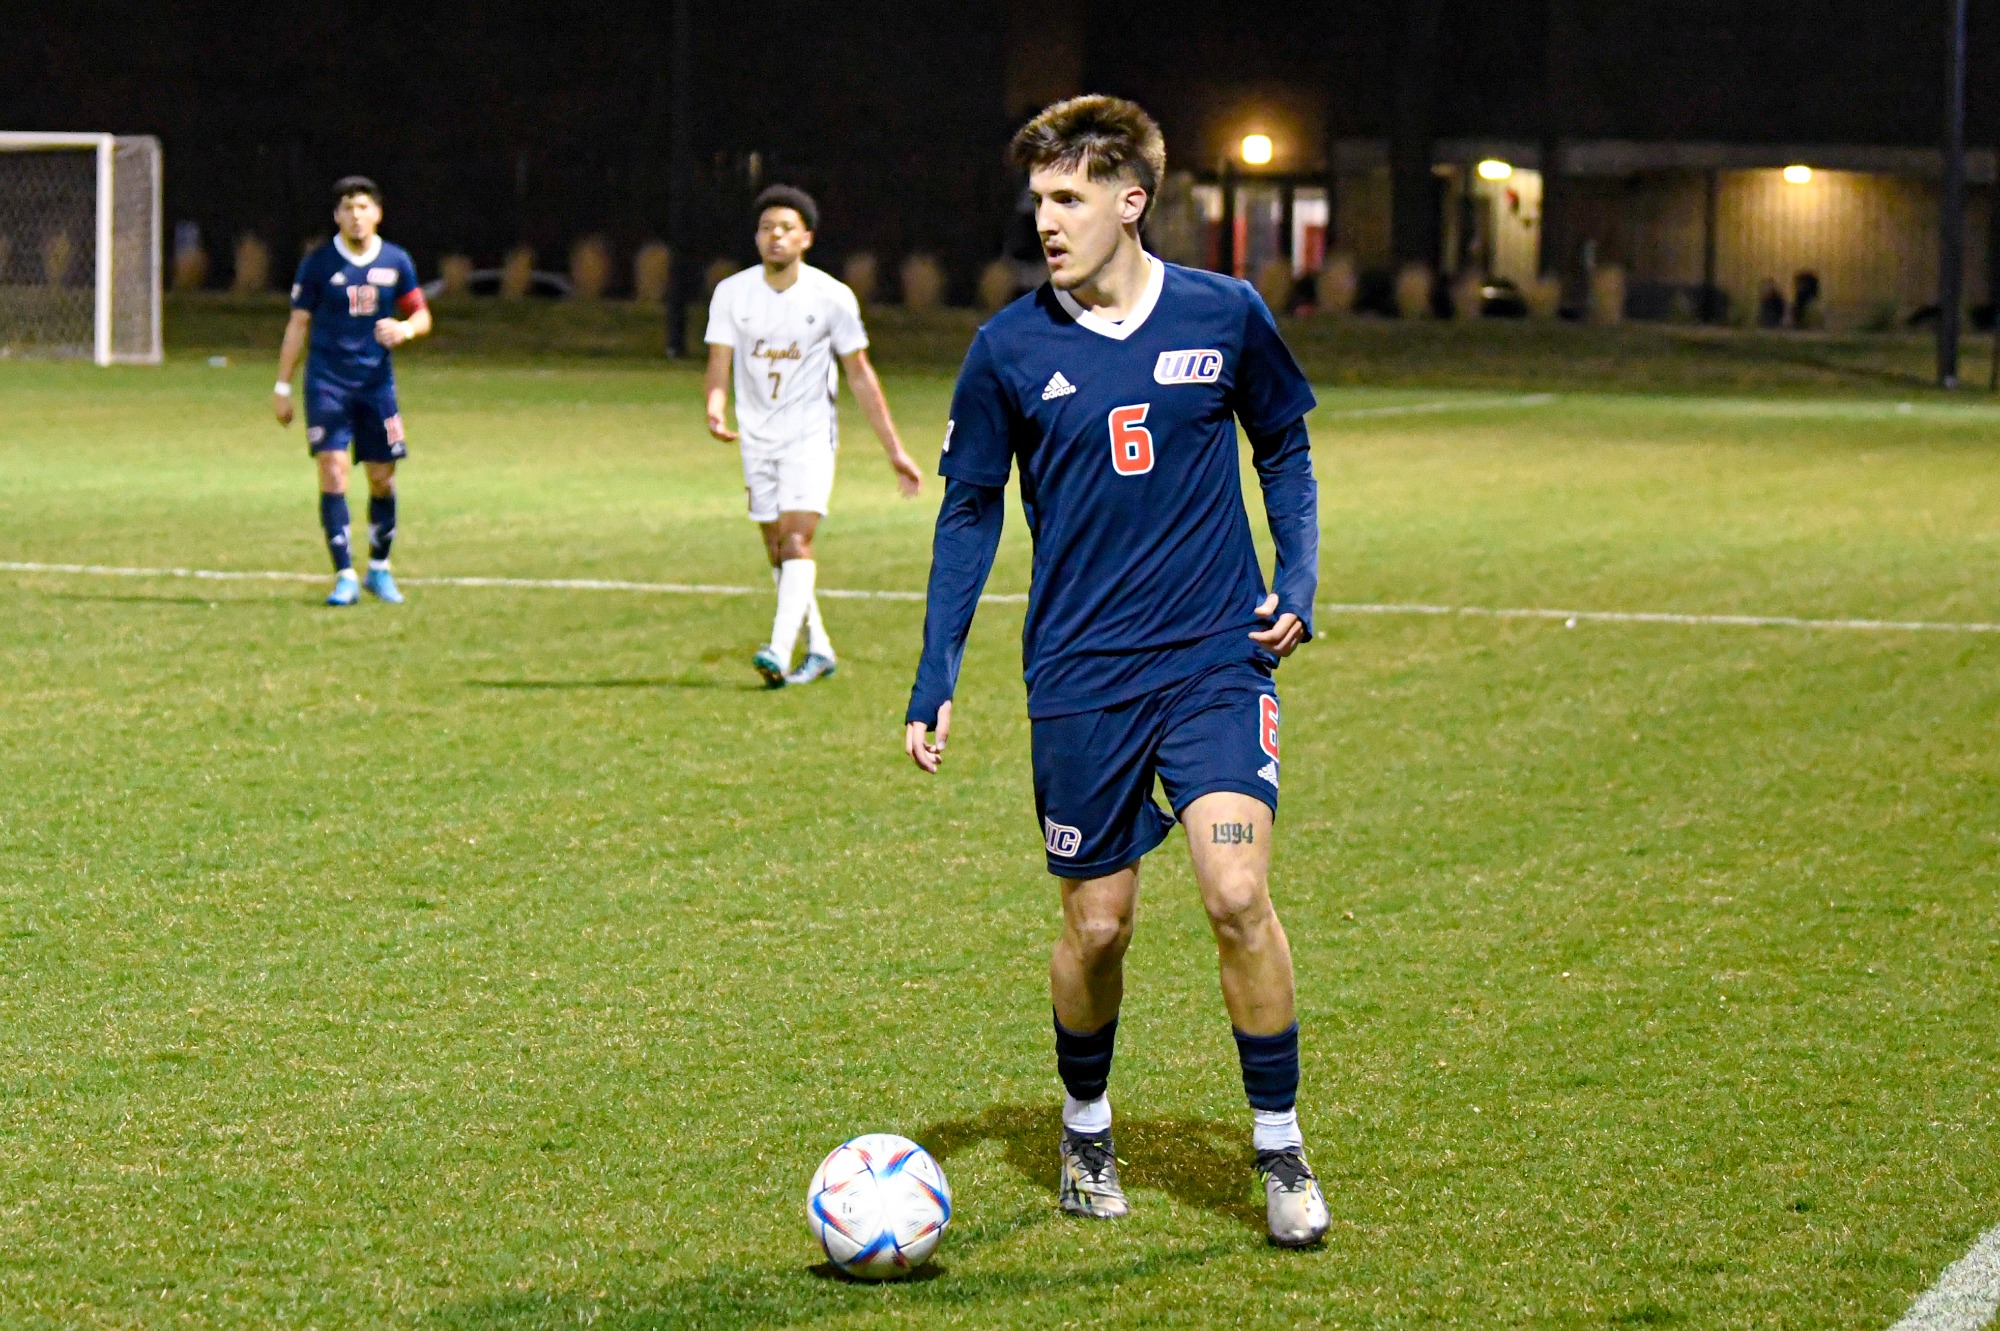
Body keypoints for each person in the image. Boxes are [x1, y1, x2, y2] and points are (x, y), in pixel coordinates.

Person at [902, 95, 1329, 1247]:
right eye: (1036, 199)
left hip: (1211, 659)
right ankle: (1085, 1121)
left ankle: (1279, 1146)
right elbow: (969, 511)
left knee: (1235, 892)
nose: (1044, 220)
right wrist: (935, 666)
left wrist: (1296, 574)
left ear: (1129, 200)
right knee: (1098, 929)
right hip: (1081, 676)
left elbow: (1282, 446)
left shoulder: (1224, 313)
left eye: (1067, 197)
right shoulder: (1007, 349)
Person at [704, 185, 923, 686]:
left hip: (809, 438)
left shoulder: (831, 297)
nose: (774, 236)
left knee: (797, 538)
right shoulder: (732, 294)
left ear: (806, 238)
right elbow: (719, 363)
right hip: (757, 439)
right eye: (765, 228)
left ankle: (779, 651)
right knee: (776, 548)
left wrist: (895, 451)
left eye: (785, 228)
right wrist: (715, 409)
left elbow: (861, 375)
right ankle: (819, 648)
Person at [273, 176, 430, 606]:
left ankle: (378, 569)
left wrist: (403, 329)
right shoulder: (319, 263)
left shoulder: (397, 260)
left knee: (382, 477)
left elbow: (421, 315)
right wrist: (282, 387)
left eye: (363, 207)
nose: (355, 216)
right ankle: (343, 574)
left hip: (376, 386)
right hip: (327, 383)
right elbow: (298, 324)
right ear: (336, 216)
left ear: (377, 213)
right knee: (333, 469)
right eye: (347, 208)